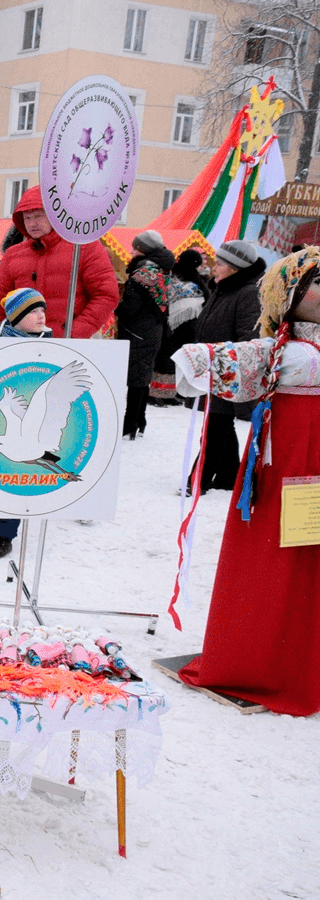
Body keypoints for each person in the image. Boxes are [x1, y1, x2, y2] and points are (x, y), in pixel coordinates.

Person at [172, 246, 320, 715]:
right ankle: (261, 657)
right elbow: (215, 361)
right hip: (286, 469)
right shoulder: (278, 352)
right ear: (290, 293)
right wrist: (196, 361)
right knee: (278, 556)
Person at [0, 185, 118, 340]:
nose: (32, 224)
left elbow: (106, 295)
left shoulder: (84, 247)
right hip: (22, 346)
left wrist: (74, 333)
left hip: (72, 346)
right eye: (27, 218)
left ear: (55, 215)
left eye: (38, 216)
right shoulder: (13, 255)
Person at [0, 288, 52, 560]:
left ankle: (2, 536)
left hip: (31, 427)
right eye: (33, 311)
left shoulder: (51, 346)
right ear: (16, 317)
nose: (41, 315)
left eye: (42, 310)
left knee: (16, 475)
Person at [188, 239, 265, 492]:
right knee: (220, 422)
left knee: (215, 427)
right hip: (215, 367)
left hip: (229, 370)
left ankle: (198, 480)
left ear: (234, 267)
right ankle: (230, 475)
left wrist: (228, 361)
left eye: (219, 263)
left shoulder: (248, 293)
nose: (214, 267)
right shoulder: (223, 289)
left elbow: (249, 336)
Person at [117, 230, 175, 439]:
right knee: (142, 378)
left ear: (142, 250)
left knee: (135, 380)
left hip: (137, 332)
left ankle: (129, 424)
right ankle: (140, 421)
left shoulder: (142, 274)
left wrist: (115, 303)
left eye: (134, 247)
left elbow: (130, 308)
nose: (131, 251)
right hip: (154, 331)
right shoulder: (161, 271)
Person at [150, 249, 208, 406]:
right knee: (170, 359)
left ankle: (166, 392)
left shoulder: (175, 276)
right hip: (182, 325)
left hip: (173, 323)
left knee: (168, 358)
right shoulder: (191, 279)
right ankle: (161, 392)